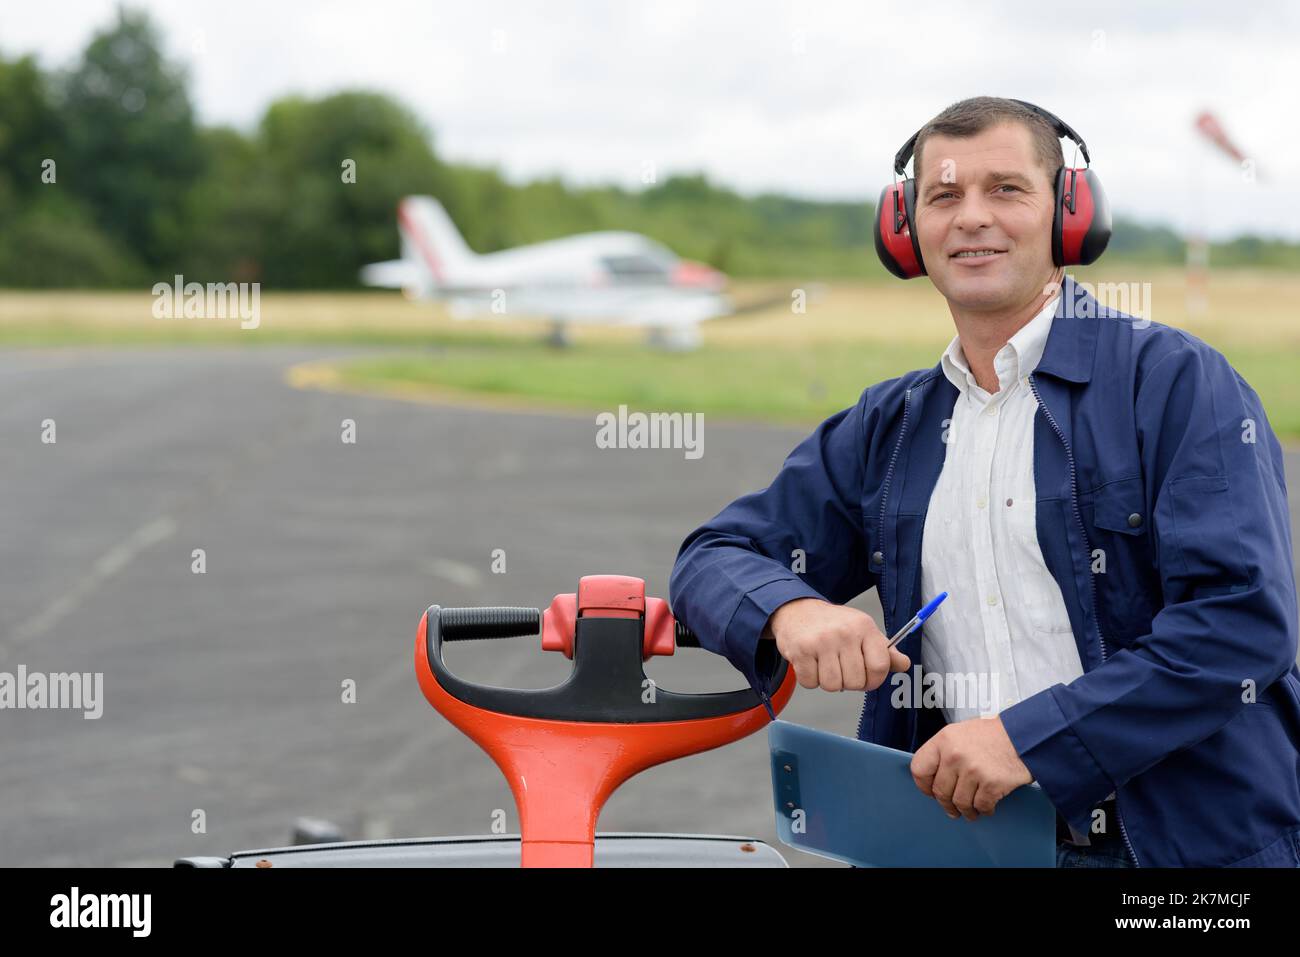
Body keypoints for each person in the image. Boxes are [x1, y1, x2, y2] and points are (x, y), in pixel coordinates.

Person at [668, 96, 1300, 868]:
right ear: (905, 228)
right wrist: (791, 609)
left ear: (1069, 214)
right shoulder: (889, 424)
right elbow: (712, 555)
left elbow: (1242, 624)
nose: (972, 218)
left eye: (1006, 189)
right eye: (944, 195)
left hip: (1186, 855)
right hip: (969, 848)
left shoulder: (1178, 385)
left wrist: (1028, 740)